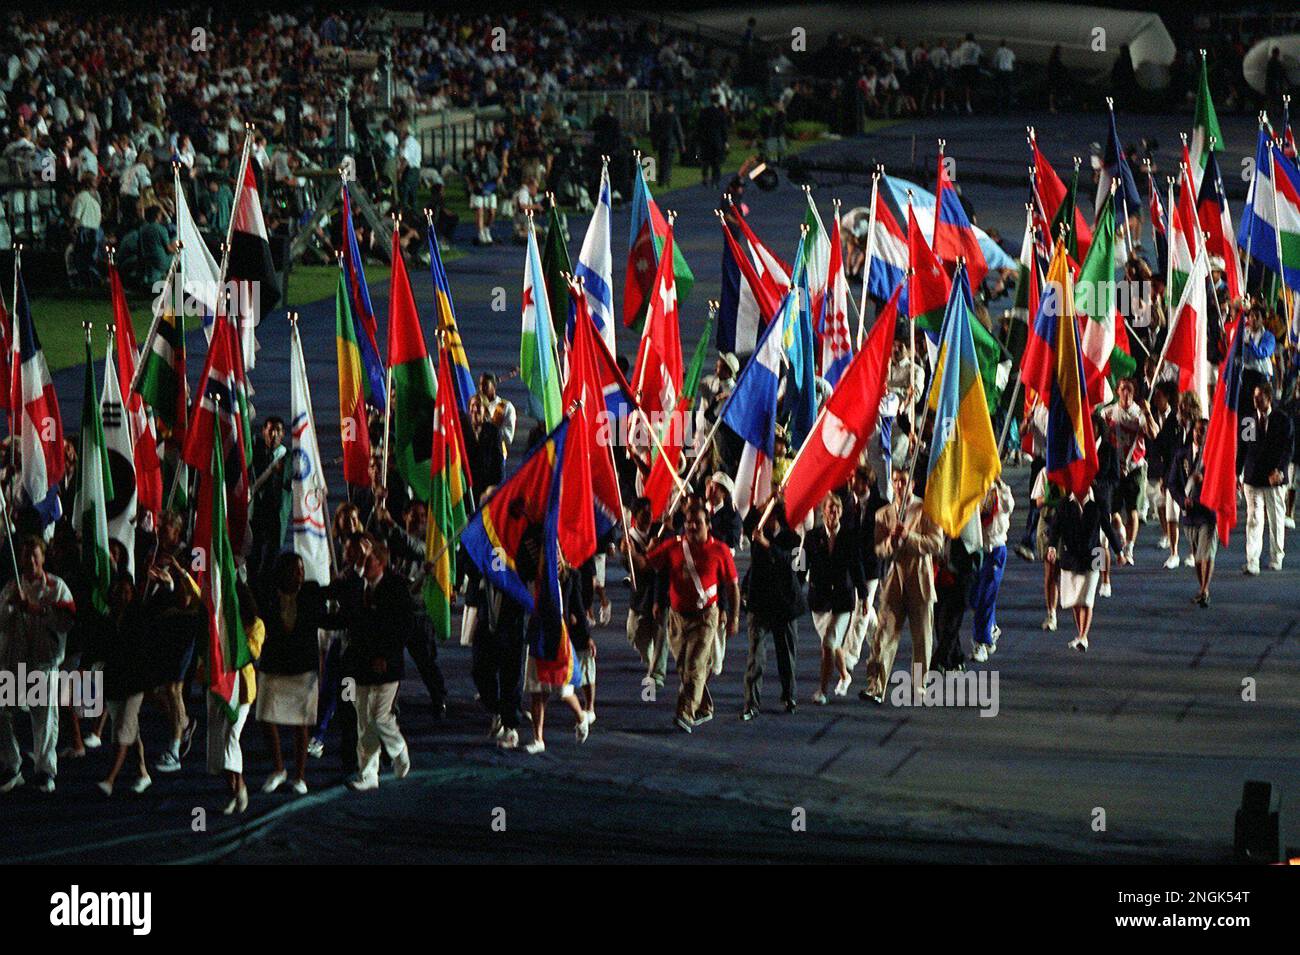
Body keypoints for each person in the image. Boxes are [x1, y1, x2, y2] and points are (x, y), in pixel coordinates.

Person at [632, 502, 740, 733]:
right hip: (677, 618)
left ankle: (685, 712)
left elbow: (732, 587)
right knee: (684, 668)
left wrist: (733, 616)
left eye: (697, 523)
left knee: (695, 664)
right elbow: (645, 565)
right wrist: (630, 551)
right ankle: (705, 707)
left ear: (707, 525)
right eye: (689, 522)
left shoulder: (720, 550)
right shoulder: (673, 547)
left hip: (705, 617)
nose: (692, 526)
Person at [0, 537, 77, 794]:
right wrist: (11, 606)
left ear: (43, 558)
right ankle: (11, 764)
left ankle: (45, 770)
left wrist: (35, 608)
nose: (31, 561)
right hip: (15, 664)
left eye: (35, 556)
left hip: (44, 664)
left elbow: (67, 620)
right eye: (26, 556)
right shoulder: (12, 587)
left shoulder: (57, 587)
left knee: (44, 720)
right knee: (2, 712)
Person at [861, 468, 944, 703]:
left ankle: (919, 685)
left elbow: (936, 543)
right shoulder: (883, 514)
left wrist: (909, 537)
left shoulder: (927, 509)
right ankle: (876, 686)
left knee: (922, 637)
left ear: (913, 483)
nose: (899, 485)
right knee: (883, 635)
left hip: (920, 578)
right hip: (894, 580)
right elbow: (877, 549)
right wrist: (890, 542)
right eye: (895, 481)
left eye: (903, 481)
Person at [257, 553, 335, 796]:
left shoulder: (311, 592)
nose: (299, 575)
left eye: (301, 570)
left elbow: (326, 613)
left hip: (303, 668)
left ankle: (299, 776)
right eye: (294, 570)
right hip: (275, 665)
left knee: (300, 724)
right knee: (266, 717)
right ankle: (278, 769)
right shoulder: (269, 594)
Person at [341, 543, 412, 790]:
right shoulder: (358, 586)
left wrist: (386, 656)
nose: (363, 566)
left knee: (381, 717)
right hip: (360, 663)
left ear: (380, 563)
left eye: (368, 562)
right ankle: (368, 774)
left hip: (387, 667)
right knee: (364, 722)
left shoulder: (396, 587)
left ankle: (399, 750)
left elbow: (403, 627)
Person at [741, 502, 805, 719]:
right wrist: (767, 496)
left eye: (767, 513)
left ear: (775, 517)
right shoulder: (756, 533)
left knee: (786, 656)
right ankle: (751, 704)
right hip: (759, 604)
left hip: (784, 604)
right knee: (755, 657)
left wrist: (767, 544)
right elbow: (746, 522)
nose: (763, 516)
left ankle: (789, 696)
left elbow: (789, 561)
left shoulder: (792, 538)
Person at [205, 581, 264, 815]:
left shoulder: (256, 624)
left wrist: (233, 628)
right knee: (220, 741)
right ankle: (232, 789)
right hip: (220, 687)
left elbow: (250, 653)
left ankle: (240, 787)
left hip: (242, 690)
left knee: (232, 736)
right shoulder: (218, 622)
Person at [522, 566, 592, 754]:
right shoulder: (535, 574)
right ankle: (538, 739)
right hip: (538, 636)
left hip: (560, 638)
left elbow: (578, 606)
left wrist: (586, 638)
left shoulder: (571, 577)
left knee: (563, 691)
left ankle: (581, 717)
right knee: (537, 691)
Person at [1048, 487, 1127, 652]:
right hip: (1071, 556)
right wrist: (1052, 547)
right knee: (1076, 600)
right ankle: (1080, 633)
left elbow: (1108, 528)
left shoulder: (1099, 502)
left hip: (1094, 554)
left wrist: (1119, 552)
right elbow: (1055, 528)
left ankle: (1083, 636)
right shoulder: (1064, 504)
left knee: (1087, 599)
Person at [805, 493, 866, 702]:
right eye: (830, 508)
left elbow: (857, 568)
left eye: (837, 509)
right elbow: (802, 565)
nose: (834, 512)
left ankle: (822, 690)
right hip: (820, 601)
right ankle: (844, 675)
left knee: (828, 643)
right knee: (833, 643)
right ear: (823, 511)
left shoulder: (849, 537)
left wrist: (864, 598)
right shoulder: (812, 537)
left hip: (842, 600)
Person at [96, 575, 152, 796]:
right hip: (114, 684)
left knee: (121, 732)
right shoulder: (106, 619)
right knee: (131, 731)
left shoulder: (139, 619)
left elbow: (144, 652)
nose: (122, 596)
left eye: (127, 591)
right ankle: (142, 772)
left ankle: (109, 780)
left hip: (134, 685)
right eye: (118, 591)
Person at [1102, 378, 1159, 565]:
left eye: (1130, 390)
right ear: (1118, 391)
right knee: (1113, 511)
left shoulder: (1139, 413)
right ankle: (1122, 534)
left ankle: (1130, 547)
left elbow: (1154, 434)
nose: (1126, 393)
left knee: (1133, 509)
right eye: (1123, 389)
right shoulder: (1109, 413)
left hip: (1135, 467)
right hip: (1115, 468)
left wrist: (1148, 413)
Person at [1240, 384, 1293, 574]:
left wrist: (1279, 470)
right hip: (1253, 478)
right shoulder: (1249, 420)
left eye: (1260, 397)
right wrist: (1238, 474)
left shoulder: (1282, 419)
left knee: (1276, 518)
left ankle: (1276, 556)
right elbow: (1244, 449)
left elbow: (1288, 449)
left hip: (1274, 478)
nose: (1256, 401)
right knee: (1254, 519)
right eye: (1255, 397)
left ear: (1269, 398)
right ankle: (1252, 561)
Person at [1167, 417, 1217, 606]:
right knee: (1197, 555)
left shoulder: (1213, 457)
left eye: (1203, 431)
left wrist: (1205, 479)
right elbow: (1172, 483)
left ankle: (1205, 589)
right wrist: (1182, 500)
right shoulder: (1181, 455)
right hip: (1189, 514)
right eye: (1197, 430)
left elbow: (1221, 481)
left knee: (1207, 552)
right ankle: (1201, 587)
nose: (1199, 433)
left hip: (1208, 512)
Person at [622, 497, 670, 689]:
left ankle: (657, 673)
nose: (649, 517)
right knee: (635, 634)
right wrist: (638, 554)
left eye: (650, 513)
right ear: (635, 516)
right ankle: (650, 659)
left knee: (661, 635)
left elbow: (663, 563)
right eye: (644, 514)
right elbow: (635, 566)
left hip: (660, 592)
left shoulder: (660, 532)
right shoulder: (627, 539)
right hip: (640, 595)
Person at [971, 477, 1014, 662]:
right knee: (974, 597)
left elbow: (1008, 506)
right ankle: (992, 626)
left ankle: (981, 642)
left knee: (986, 596)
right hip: (976, 549)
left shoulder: (1000, 492)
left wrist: (1000, 484)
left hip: (995, 548)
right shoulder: (973, 490)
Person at [463, 394, 505, 492]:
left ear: (485, 411)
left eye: (478, 406)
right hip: (466, 488)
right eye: (472, 405)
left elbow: (498, 463)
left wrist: (496, 489)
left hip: (487, 488)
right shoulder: (462, 431)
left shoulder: (493, 432)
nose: (475, 409)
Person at [465, 139, 501, 246]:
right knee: (479, 211)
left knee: (492, 212)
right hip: (478, 188)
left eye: (483, 148)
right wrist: (470, 184)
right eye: (479, 148)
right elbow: (467, 174)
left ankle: (486, 229)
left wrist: (498, 179)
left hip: (490, 187)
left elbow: (498, 171)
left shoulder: (491, 159)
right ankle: (480, 233)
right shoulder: (472, 160)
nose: (481, 151)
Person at [478, 373, 517, 454]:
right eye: (480, 385)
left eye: (485, 385)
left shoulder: (505, 407)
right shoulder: (475, 405)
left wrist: (489, 427)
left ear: (494, 387)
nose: (482, 389)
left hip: (497, 455)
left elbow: (509, 437)